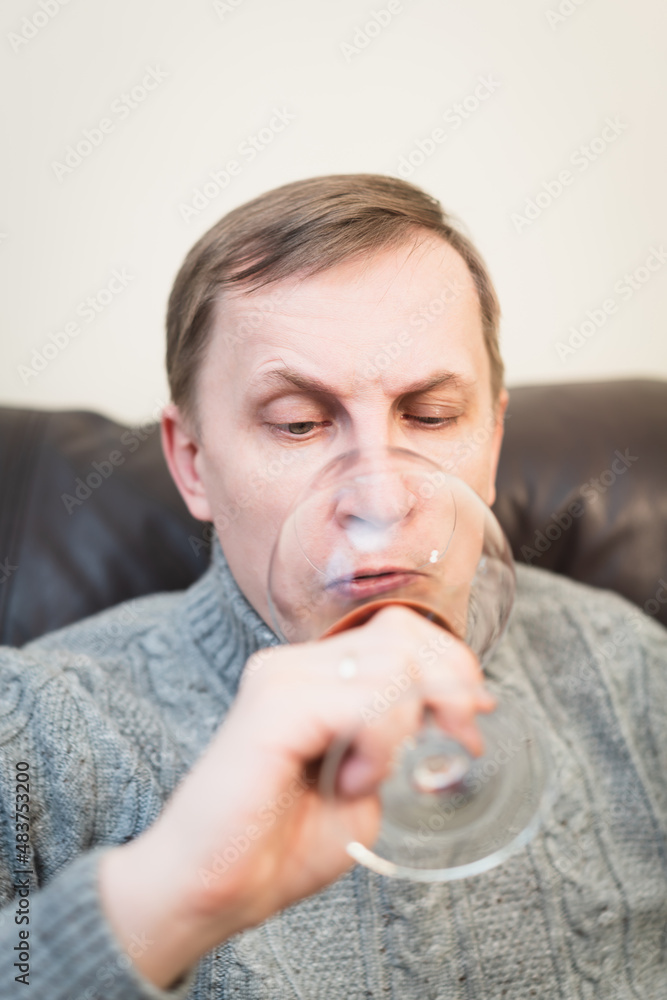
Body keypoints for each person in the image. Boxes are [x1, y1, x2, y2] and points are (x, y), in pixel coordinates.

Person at [0, 174, 665, 1000]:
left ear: (493, 440)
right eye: (298, 424)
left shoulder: (636, 673)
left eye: (428, 416)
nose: (380, 501)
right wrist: (162, 904)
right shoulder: (28, 730)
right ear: (192, 463)